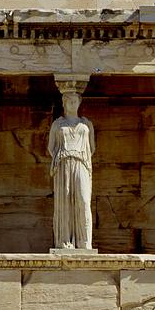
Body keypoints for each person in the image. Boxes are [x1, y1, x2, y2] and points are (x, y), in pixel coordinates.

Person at [48, 92, 95, 250]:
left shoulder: (86, 124)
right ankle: (64, 241)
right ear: (64, 103)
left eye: (75, 101)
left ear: (79, 102)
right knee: (65, 201)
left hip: (81, 162)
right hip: (63, 164)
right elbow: (51, 147)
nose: (73, 104)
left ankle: (84, 241)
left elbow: (92, 148)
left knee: (83, 199)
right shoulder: (57, 124)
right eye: (70, 101)